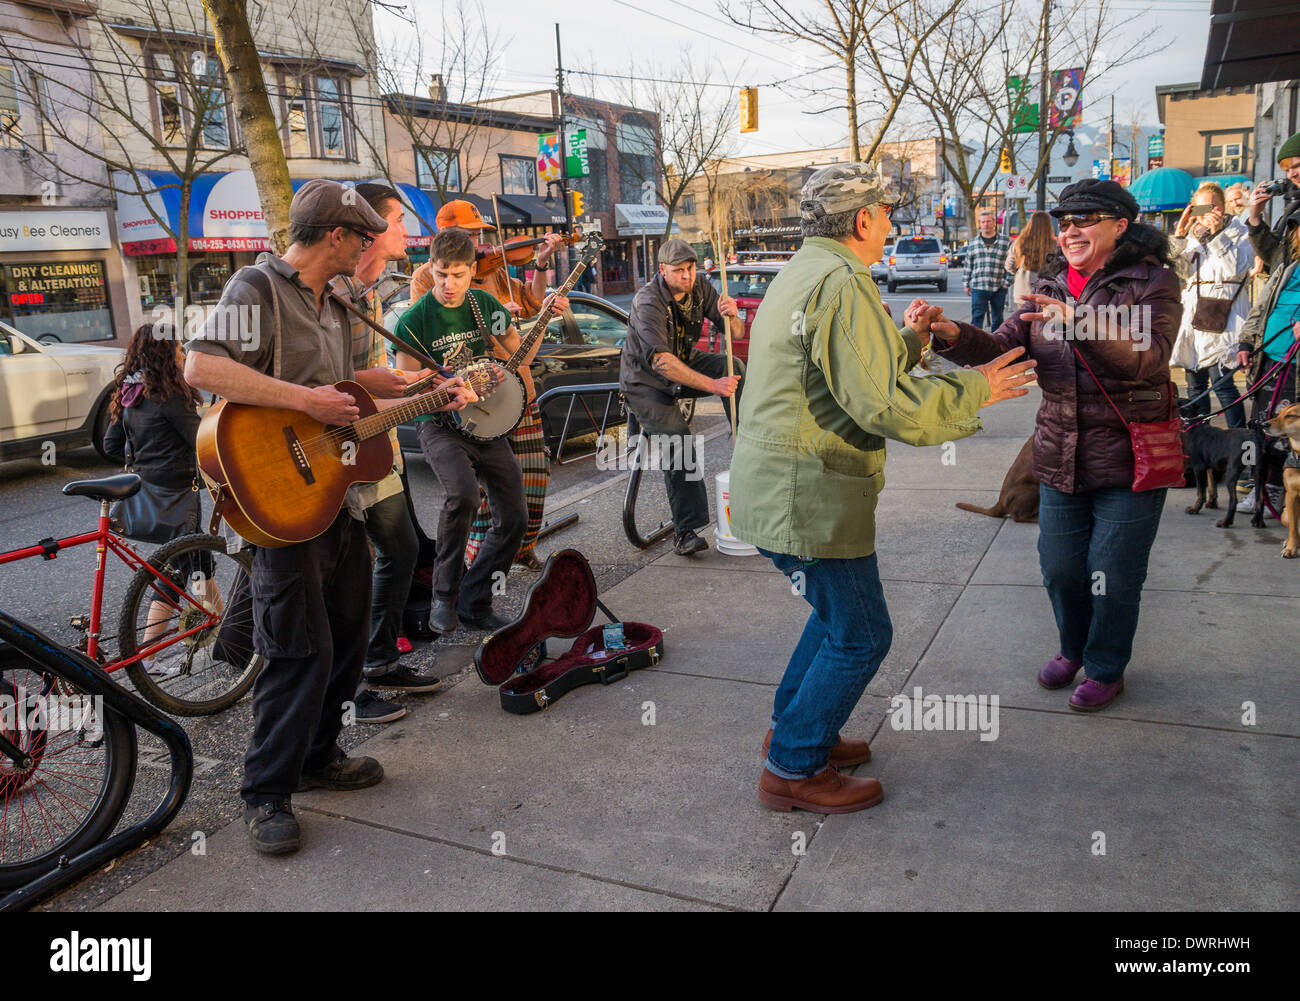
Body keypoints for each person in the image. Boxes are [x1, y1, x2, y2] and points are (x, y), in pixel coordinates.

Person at [730, 163, 1036, 814]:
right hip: (807, 495)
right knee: (863, 633)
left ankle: (795, 730)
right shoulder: (841, 283)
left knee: (836, 617)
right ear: (862, 220)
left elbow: (848, 368)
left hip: (784, 489)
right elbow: (880, 403)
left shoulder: (805, 271)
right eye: (887, 213)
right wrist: (979, 387)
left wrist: (912, 339)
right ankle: (792, 764)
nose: (893, 224)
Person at [184, 180, 476, 855]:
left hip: (333, 497)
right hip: (276, 503)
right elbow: (201, 366)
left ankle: (317, 755)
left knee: (347, 633)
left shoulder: (338, 303)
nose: (373, 245)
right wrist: (305, 402)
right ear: (336, 237)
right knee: (297, 647)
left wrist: (420, 388)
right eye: (364, 235)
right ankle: (266, 790)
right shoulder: (256, 290)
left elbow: (351, 381)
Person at [928, 178, 1182, 712]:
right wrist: (949, 333)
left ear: (1120, 225)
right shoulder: (1049, 285)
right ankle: (1072, 650)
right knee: (1061, 566)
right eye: (1065, 222)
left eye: (1085, 220)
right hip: (1060, 451)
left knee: (1113, 575)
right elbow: (1000, 348)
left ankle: (1107, 667)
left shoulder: (1151, 283)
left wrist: (1082, 322)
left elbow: (1150, 359)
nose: (1071, 231)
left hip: (1129, 457)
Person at [392, 226, 540, 635]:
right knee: (462, 495)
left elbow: (520, 351)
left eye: (458, 275)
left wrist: (544, 318)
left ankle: (476, 601)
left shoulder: (484, 304)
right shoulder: (413, 320)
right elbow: (404, 384)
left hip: (487, 422)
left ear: (472, 271)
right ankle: (443, 597)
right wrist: (442, 387)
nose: (449, 284)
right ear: (431, 269)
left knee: (514, 518)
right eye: (441, 274)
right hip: (439, 425)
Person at [334, 183, 443, 724]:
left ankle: (378, 660)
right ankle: (347, 689)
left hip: (380, 444)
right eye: (398, 219)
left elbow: (373, 383)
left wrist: (424, 387)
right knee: (352, 572)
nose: (406, 229)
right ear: (371, 229)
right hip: (339, 454)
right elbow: (323, 383)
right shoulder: (333, 290)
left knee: (400, 550)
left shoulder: (373, 292)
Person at [411, 200, 568, 572]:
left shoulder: (495, 271)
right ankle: (480, 562)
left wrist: (542, 264)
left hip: (518, 387)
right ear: (445, 234)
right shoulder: (427, 277)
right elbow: (433, 338)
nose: (480, 242)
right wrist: (491, 311)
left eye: (480, 234)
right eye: (470, 233)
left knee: (534, 474)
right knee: (482, 490)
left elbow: (529, 303)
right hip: (476, 398)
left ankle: (521, 547)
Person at [619, 238, 744, 556]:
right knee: (678, 439)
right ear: (662, 270)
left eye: (690, 268)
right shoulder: (647, 301)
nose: (687, 276)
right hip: (645, 382)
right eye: (679, 271)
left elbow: (737, 334)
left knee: (734, 366)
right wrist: (714, 386)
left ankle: (746, 443)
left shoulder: (701, 286)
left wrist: (733, 316)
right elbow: (661, 361)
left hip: (684, 361)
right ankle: (685, 531)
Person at [104, 323, 210, 675]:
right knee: (180, 574)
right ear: (167, 353)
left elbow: (110, 446)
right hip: (179, 493)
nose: (182, 353)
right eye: (179, 348)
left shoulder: (129, 392)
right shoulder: (170, 395)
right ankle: (147, 655)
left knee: (196, 567)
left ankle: (228, 635)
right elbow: (200, 442)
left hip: (147, 490)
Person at [1170, 182, 1254, 427]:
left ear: (1220, 206)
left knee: (1223, 386)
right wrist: (1179, 237)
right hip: (1194, 317)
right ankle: (1201, 440)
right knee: (1195, 386)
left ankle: (1239, 440)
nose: (1204, 214)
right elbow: (1182, 272)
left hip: (1224, 316)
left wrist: (1218, 235)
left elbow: (1236, 269)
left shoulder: (1241, 233)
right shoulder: (1194, 236)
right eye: (1198, 208)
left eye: (1209, 206)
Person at [1235, 224, 1300, 516]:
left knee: (1288, 435)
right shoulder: (1288, 266)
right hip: (1270, 360)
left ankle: (1283, 494)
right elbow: (1261, 308)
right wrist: (1246, 342)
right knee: (1259, 429)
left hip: (1295, 369)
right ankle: (1259, 488)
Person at [1246, 132, 1300, 273]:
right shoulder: (1293, 211)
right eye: (1287, 170)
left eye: (1297, 166)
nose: (1291, 175)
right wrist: (1255, 218)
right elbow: (1275, 259)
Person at [963, 209, 1012, 329]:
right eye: (983, 222)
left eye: (989, 221)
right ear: (979, 223)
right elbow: (968, 264)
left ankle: (996, 343)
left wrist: (1007, 282)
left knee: (998, 318)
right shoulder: (973, 243)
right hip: (978, 287)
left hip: (999, 286)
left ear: (994, 222)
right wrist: (966, 284)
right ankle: (977, 344)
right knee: (977, 318)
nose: (986, 224)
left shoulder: (1005, 242)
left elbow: (1013, 263)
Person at [1007, 211, 1055, 307]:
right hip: (1046, 291)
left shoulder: (1019, 242)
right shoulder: (1053, 244)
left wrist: (1019, 271)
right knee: (1043, 321)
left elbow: (1009, 265)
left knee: (1024, 319)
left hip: (1023, 290)